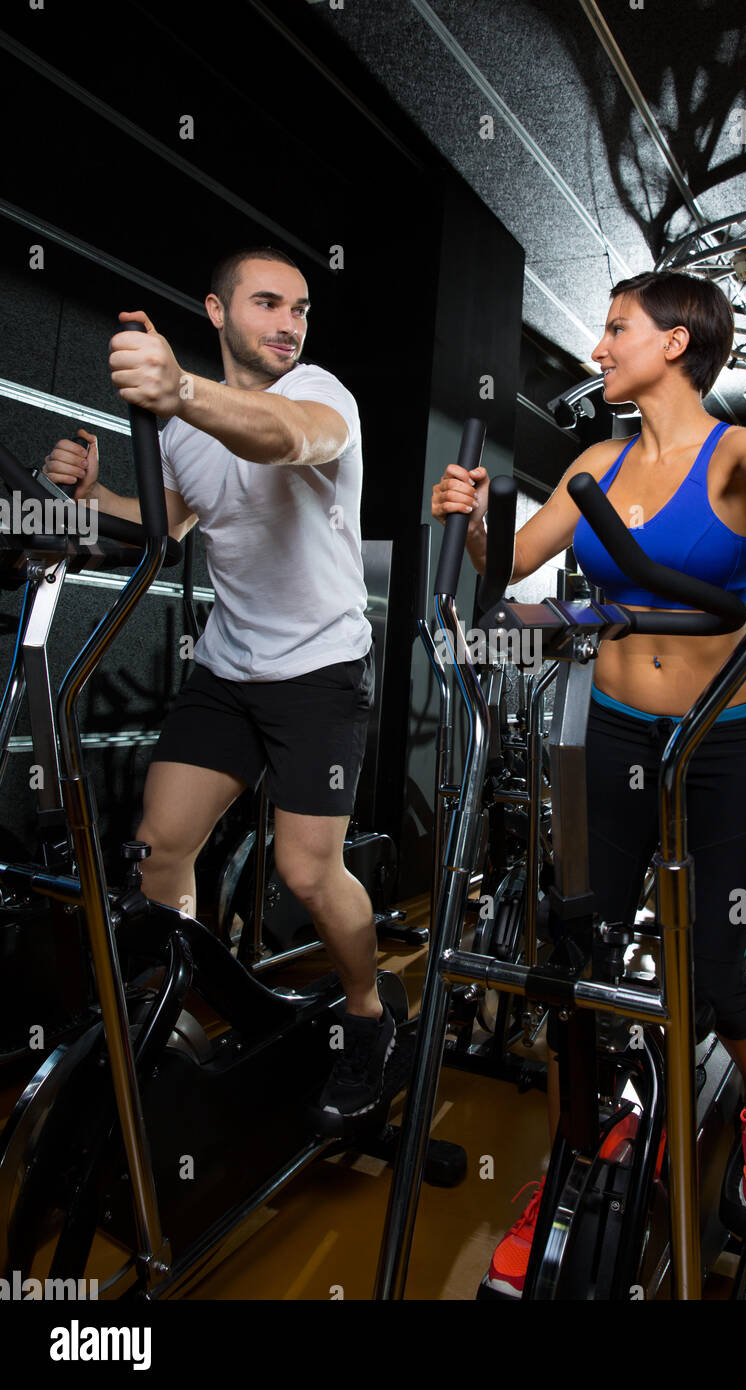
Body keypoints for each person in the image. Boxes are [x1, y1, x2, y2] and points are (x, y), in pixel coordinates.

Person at [432, 269, 746, 1296]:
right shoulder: (595, 461)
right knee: (571, 962)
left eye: (615, 328)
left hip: (726, 744)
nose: (599, 348)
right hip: (611, 736)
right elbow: (513, 571)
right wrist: (478, 520)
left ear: (674, 344)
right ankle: (570, 1164)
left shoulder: (739, 453)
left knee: (714, 970)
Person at [43, 247, 395, 1131]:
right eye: (268, 303)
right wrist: (93, 496)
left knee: (307, 871)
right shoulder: (189, 424)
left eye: (301, 308)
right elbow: (174, 519)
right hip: (229, 668)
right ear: (215, 308)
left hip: (320, 669)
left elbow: (287, 437)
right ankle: (170, 1018)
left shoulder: (322, 393)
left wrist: (180, 393)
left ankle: (367, 1015)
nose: (288, 323)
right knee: (161, 844)